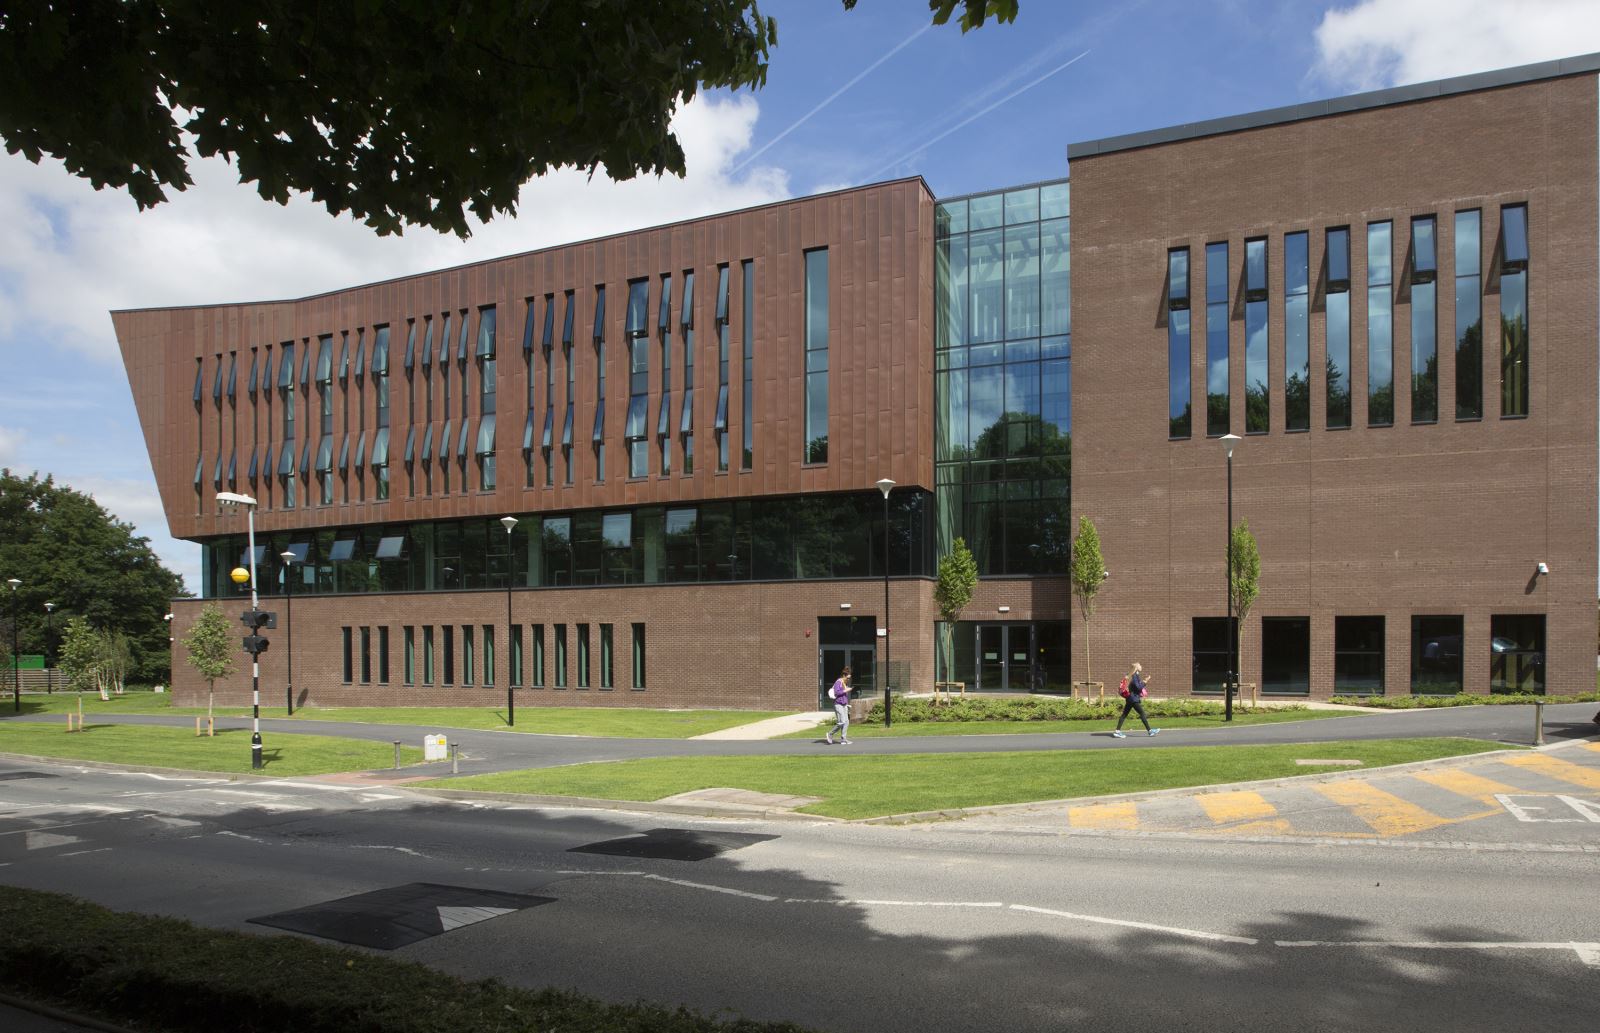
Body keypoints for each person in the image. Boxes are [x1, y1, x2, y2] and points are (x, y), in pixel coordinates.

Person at [1112, 662, 1160, 739]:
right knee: (1142, 713)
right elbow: (1138, 687)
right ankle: (1150, 731)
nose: (1141, 666)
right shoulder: (1134, 676)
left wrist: (1143, 681)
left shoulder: (1135, 675)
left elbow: (1136, 686)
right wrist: (1145, 681)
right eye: (1140, 665)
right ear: (1136, 667)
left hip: (1130, 698)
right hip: (1133, 699)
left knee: (1124, 715)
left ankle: (1117, 731)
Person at [825, 666, 852, 745]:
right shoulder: (838, 682)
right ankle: (830, 734)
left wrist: (847, 703)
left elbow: (843, 695)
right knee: (842, 722)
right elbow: (837, 692)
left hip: (844, 704)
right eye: (848, 678)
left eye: (849, 678)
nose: (848, 680)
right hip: (838, 704)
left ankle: (843, 739)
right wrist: (845, 690)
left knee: (846, 722)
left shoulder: (844, 683)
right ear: (844, 676)